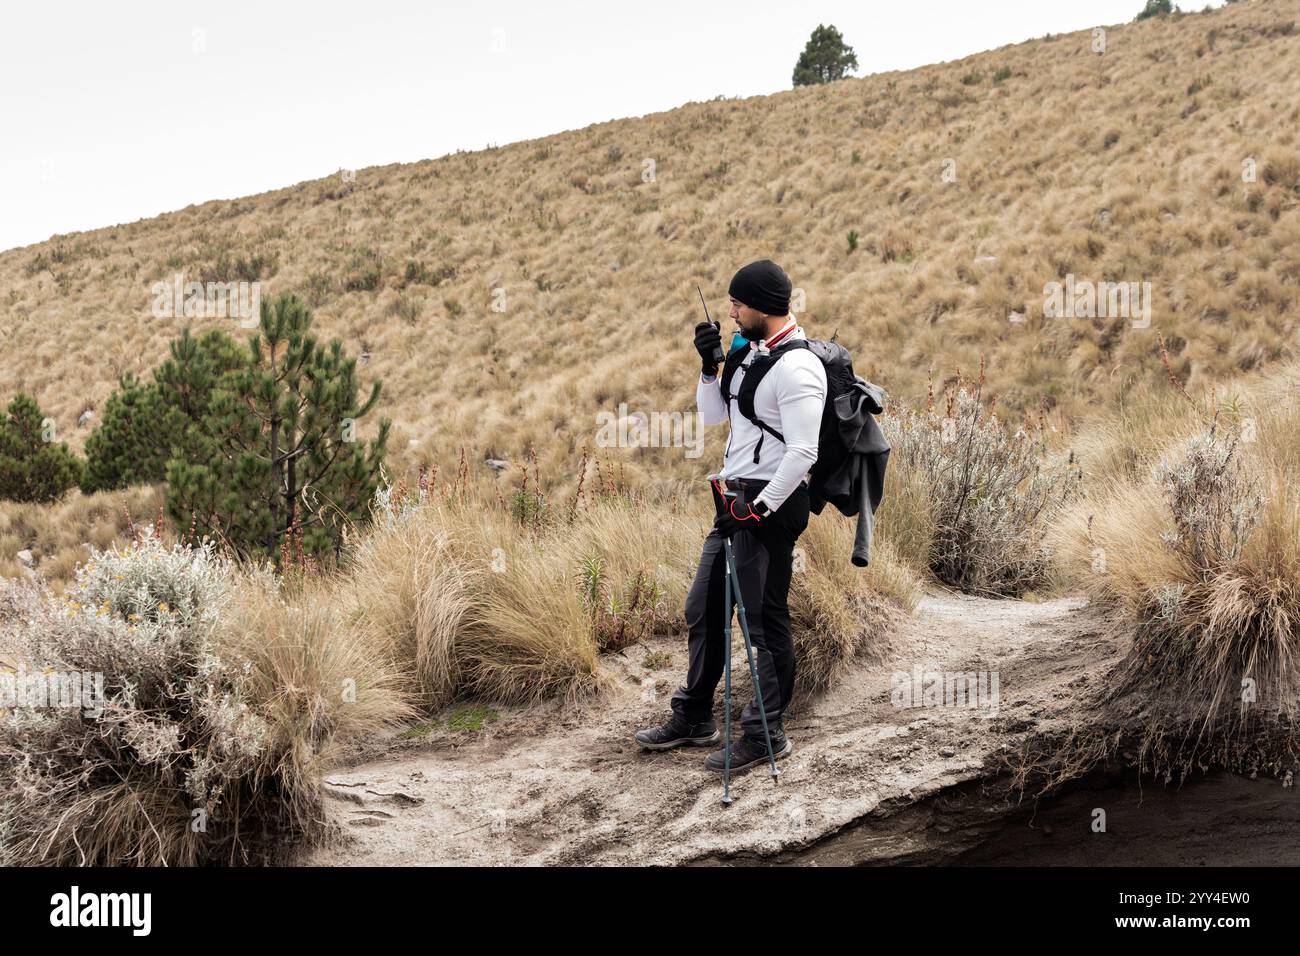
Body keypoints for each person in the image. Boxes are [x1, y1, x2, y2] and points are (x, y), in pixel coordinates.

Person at [634, 259, 828, 772]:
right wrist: (708, 368)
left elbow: (803, 453)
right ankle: (696, 717)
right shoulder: (749, 355)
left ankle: (767, 733)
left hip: (770, 505)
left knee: (764, 622)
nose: (730, 311)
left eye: (737, 303)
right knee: (705, 607)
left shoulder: (799, 367)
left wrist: (758, 509)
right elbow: (714, 415)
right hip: (732, 503)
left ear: (762, 305)